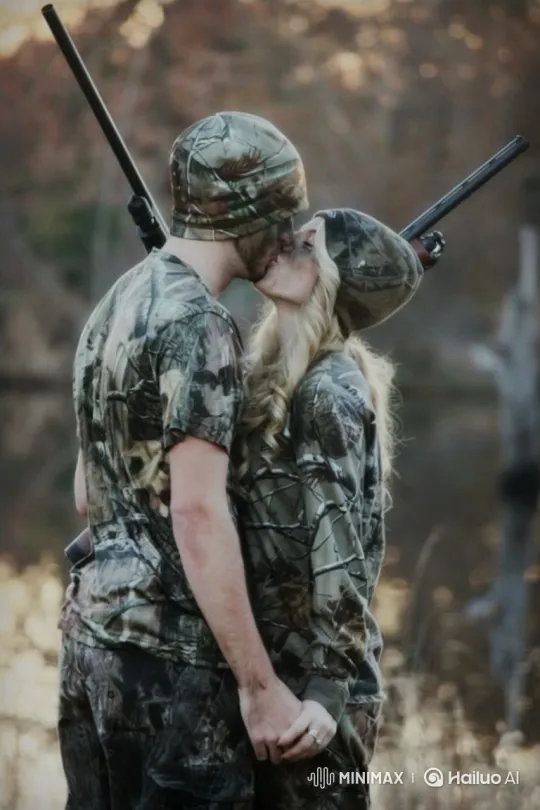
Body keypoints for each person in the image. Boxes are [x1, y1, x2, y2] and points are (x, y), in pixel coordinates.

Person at [57, 111, 310, 810]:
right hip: (172, 673)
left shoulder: (119, 301)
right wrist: (260, 690)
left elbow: (90, 490)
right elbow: (200, 514)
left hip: (90, 648)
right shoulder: (201, 325)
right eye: (283, 216)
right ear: (249, 213)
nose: (290, 236)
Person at [230, 207, 425, 809]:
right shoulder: (271, 375)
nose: (287, 242)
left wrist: (326, 694)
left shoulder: (326, 392)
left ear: (333, 279)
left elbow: (342, 555)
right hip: (277, 680)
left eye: (308, 243)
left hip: (315, 700)